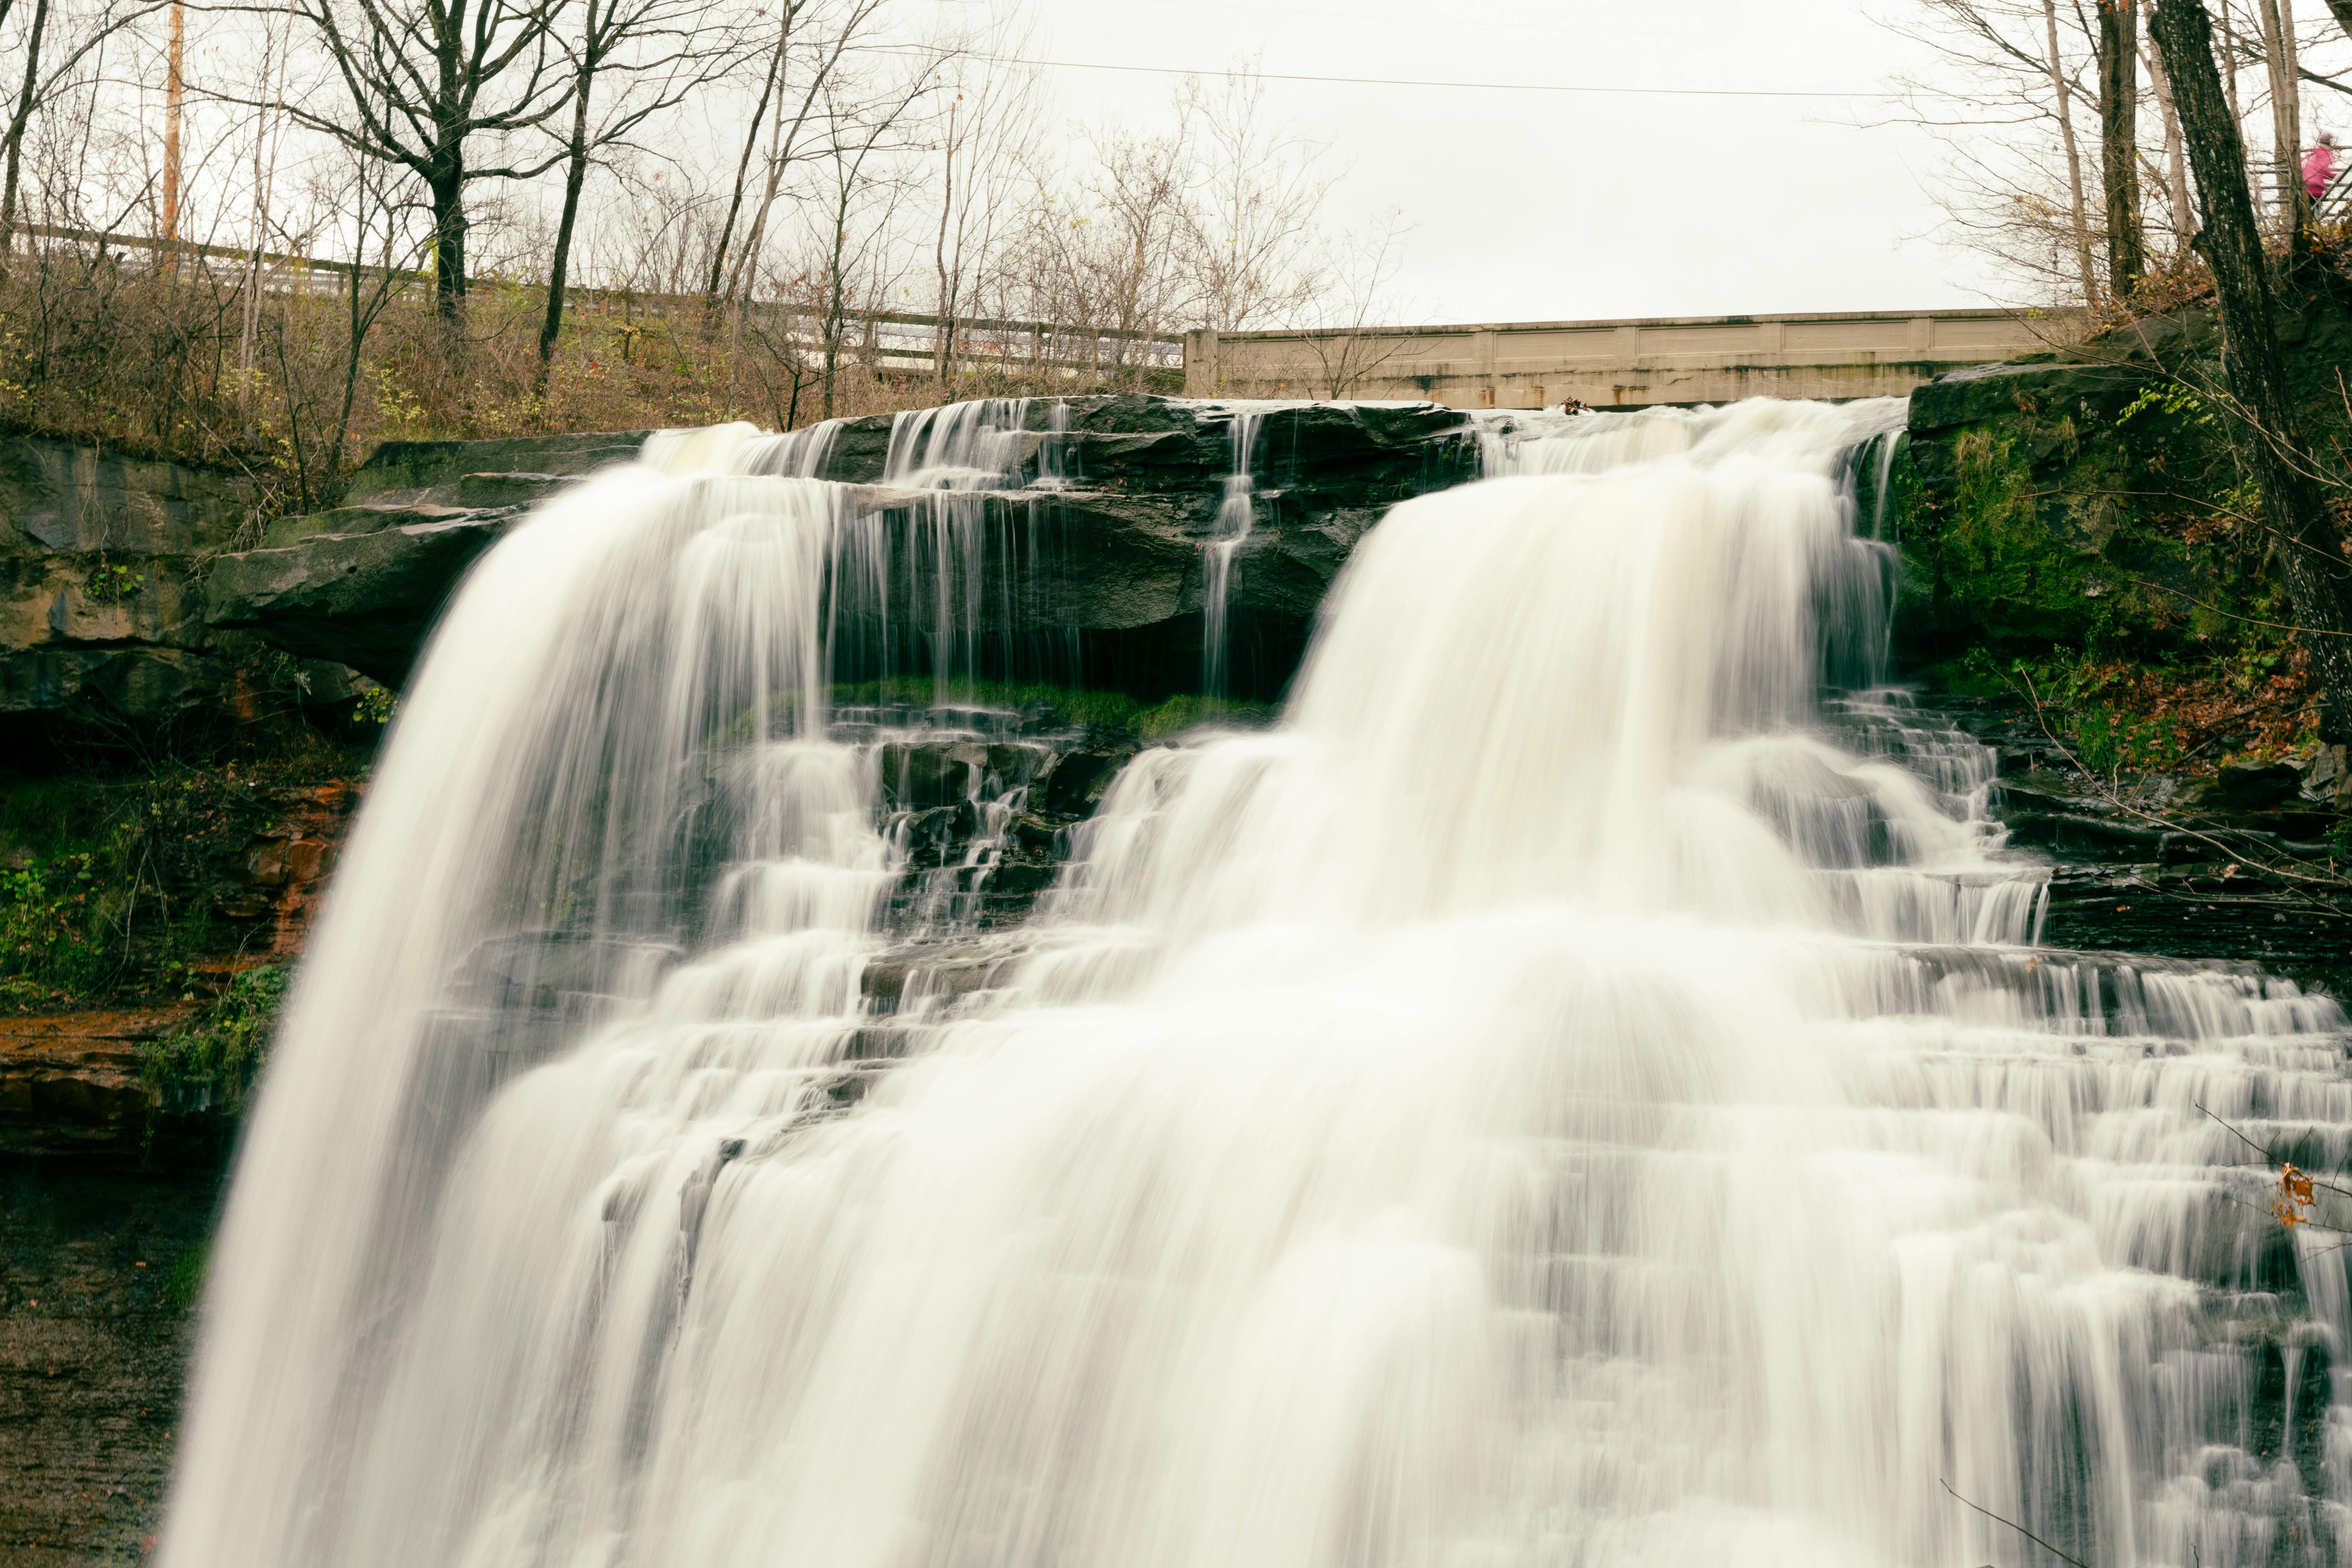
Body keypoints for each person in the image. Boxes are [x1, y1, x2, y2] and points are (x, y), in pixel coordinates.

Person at [2304, 131, 2339, 200]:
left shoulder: (2315, 152)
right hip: (2315, 187)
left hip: (2306, 183)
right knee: (2315, 208)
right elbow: (2323, 168)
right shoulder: (2325, 153)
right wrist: (2333, 176)